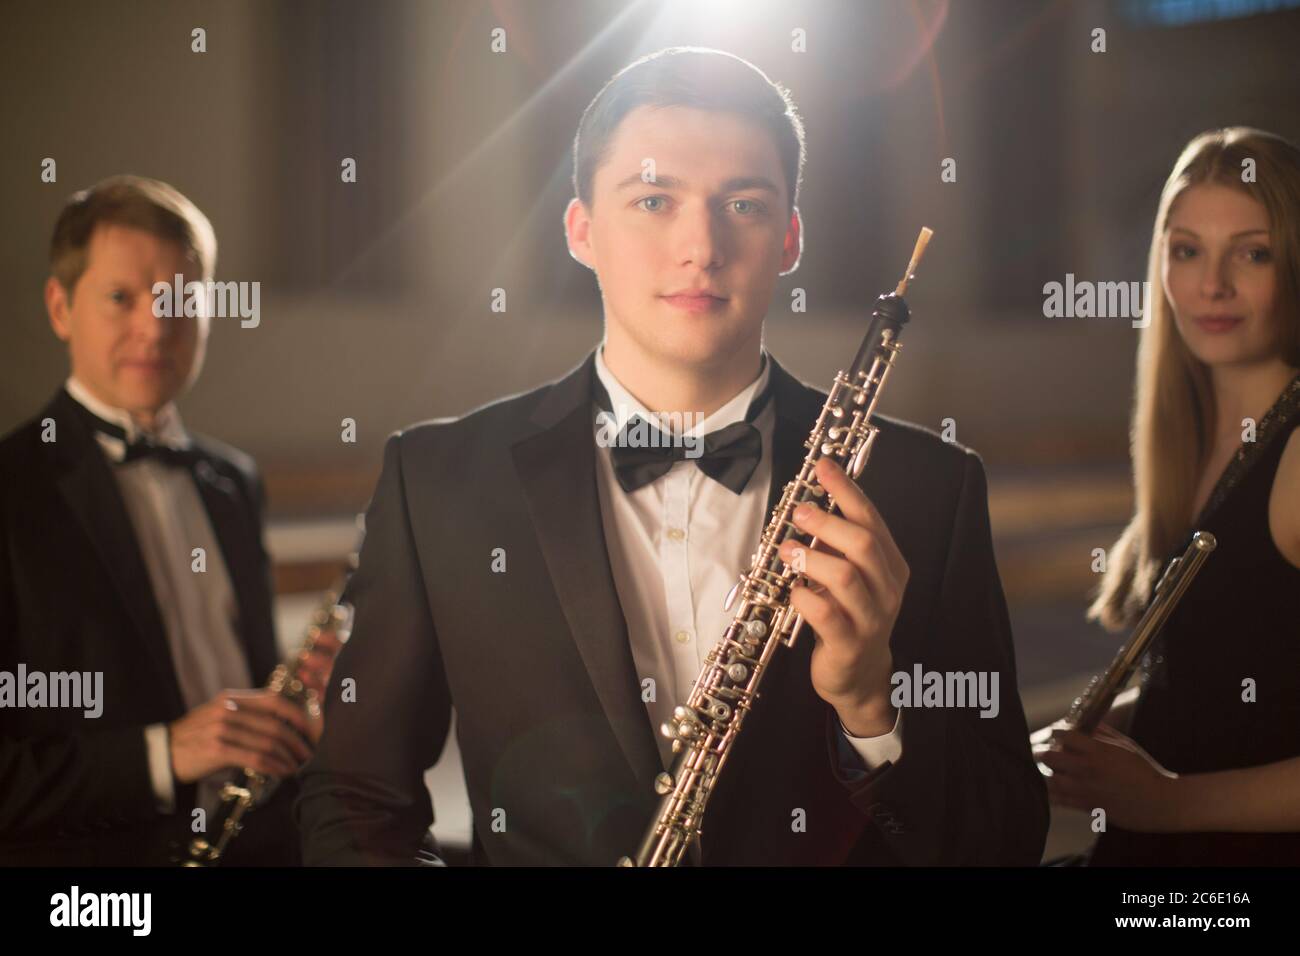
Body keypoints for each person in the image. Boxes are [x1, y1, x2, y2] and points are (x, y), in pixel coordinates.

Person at [297, 47, 1047, 866]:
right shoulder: (438, 482)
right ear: (582, 230)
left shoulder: (927, 490)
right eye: (654, 200)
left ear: (790, 239)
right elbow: (355, 805)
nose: (701, 246)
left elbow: (1003, 840)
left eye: (745, 205)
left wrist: (872, 708)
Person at [0, 175, 336, 865]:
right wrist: (164, 754)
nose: (156, 327)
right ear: (61, 308)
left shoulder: (232, 482)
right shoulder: (13, 488)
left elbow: (244, 684)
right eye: (121, 298)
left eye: (181, 299)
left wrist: (304, 711)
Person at [1037, 128, 1300, 865]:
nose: (1211, 285)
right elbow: (1218, 689)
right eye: (1186, 251)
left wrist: (1168, 799)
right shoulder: (1188, 444)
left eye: (1253, 252)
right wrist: (1074, 746)